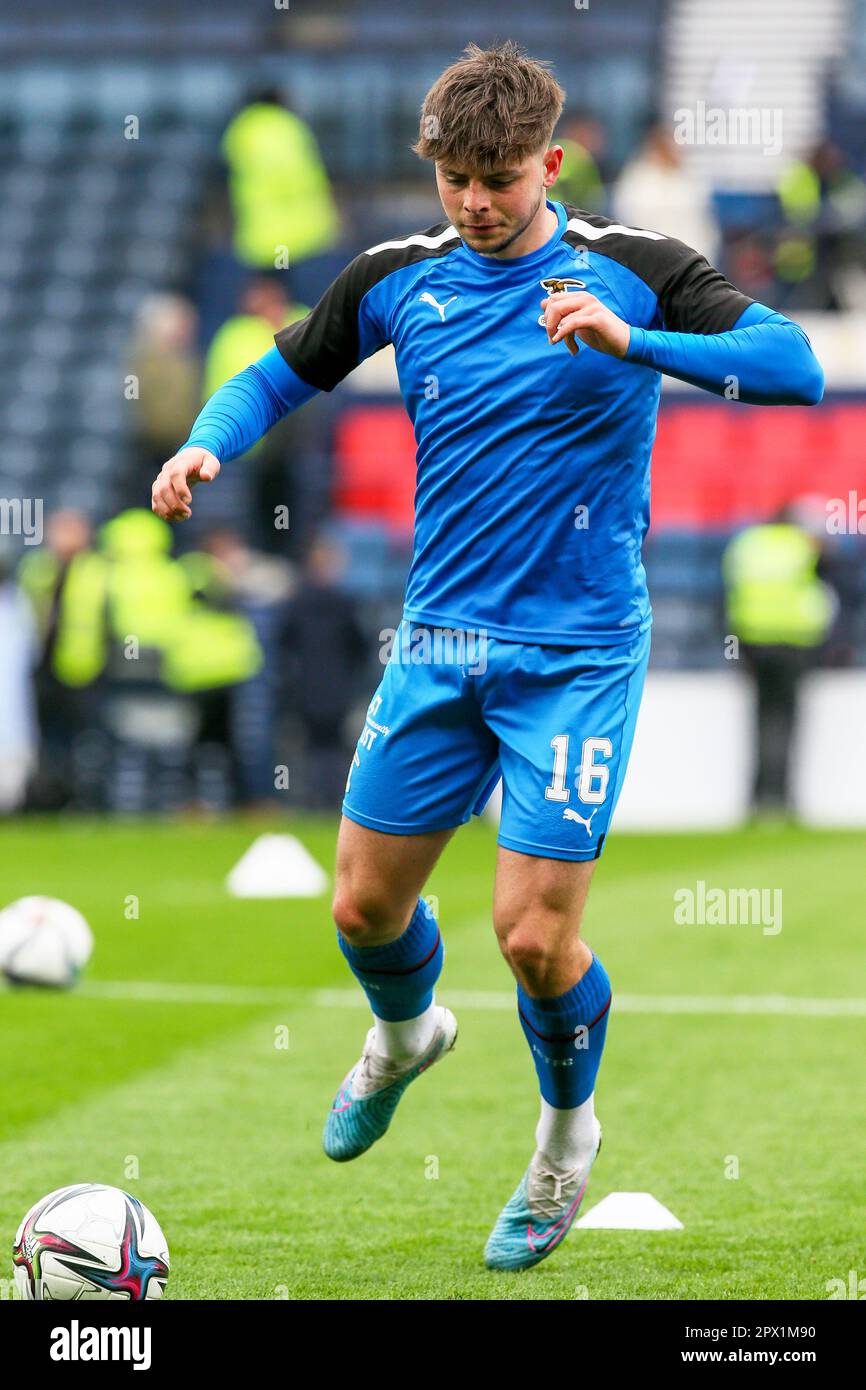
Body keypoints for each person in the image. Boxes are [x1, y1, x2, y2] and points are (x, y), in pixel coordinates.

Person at [151, 42, 824, 1271]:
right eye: (454, 179)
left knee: (529, 934)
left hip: (572, 654)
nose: (474, 202)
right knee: (360, 906)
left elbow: (793, 366)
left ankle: (565, 1143)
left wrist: (634, 344)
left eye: (499, 178)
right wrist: (206, 444)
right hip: (436, 644)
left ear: (549, 163)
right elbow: (280, 369)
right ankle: (405, 1037)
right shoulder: (397, 278)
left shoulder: (631, 269)